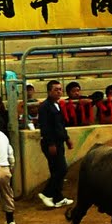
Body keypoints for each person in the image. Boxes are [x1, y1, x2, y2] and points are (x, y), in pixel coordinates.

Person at [36, 79, 73, 209]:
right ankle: (47, 193)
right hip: (51, 143)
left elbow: (60, 125)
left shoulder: (56, 105)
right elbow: (45, 127)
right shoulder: (45, 107)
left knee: (56, 170)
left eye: (60, 89)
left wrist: (67, 138)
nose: (59, 92)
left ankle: (58, 197)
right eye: (56, 89)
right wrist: (51, 143)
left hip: (59, 141)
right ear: (49, 91)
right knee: (61, 169)